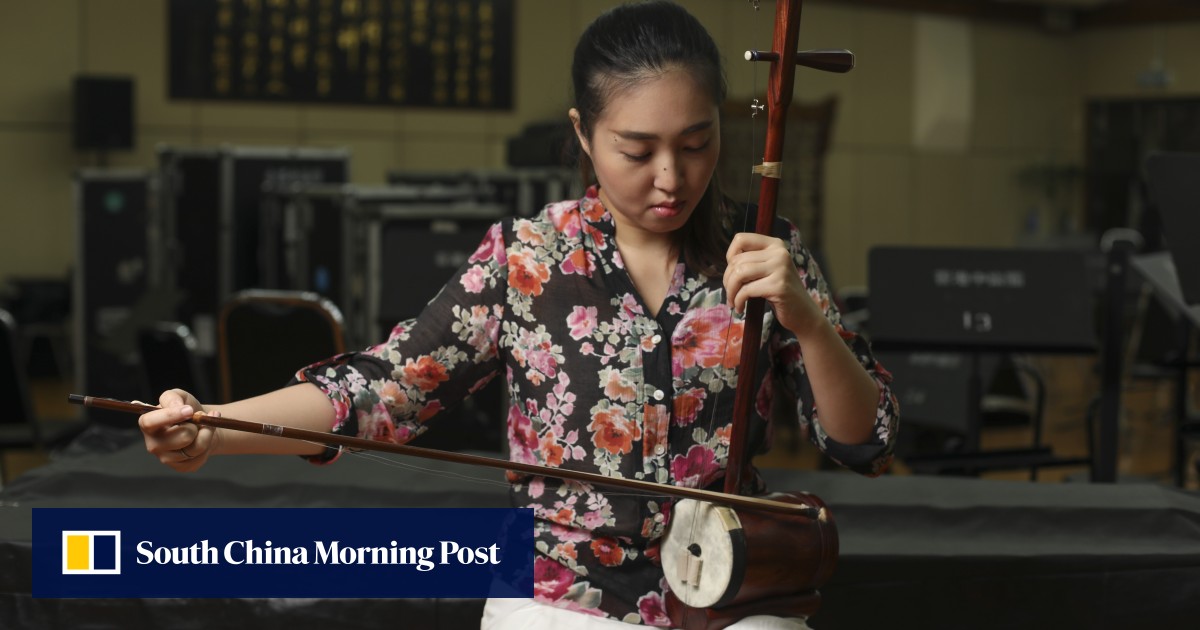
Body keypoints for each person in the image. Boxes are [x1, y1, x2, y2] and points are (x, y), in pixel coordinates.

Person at [139, 2, 898, 628]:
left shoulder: (767, 248)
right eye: (637, 151)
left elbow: (863, 439)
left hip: (735, 589)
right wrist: (215, 425)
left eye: (697, 144)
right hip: (561, 594)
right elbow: (383, 389)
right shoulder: (527, 258)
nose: (672, 178)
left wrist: (807, 320)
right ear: (582, 134)